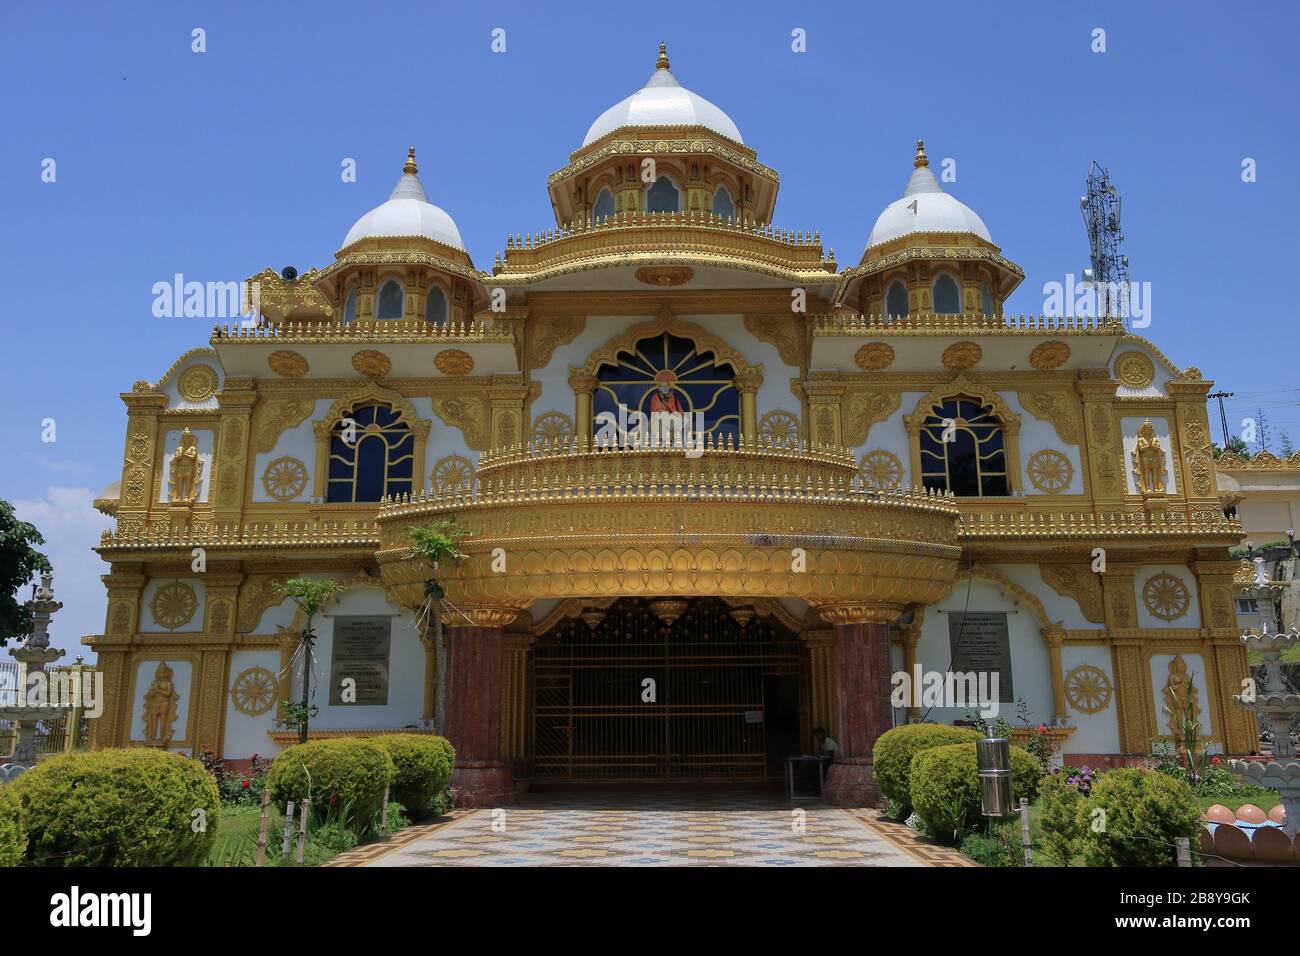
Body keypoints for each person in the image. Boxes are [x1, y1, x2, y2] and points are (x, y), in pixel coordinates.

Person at [812, 727, 838, 793]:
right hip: (828, 762)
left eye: (819, 734)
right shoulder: (823, 742)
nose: (818, 737)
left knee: (814, 770)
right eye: (816, 735)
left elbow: (830, 755)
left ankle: (819, 789)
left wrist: (820, 754)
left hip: (833, 763)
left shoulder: (828, 741)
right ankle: (818, 788)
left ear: (823, 734)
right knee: (813, 767)